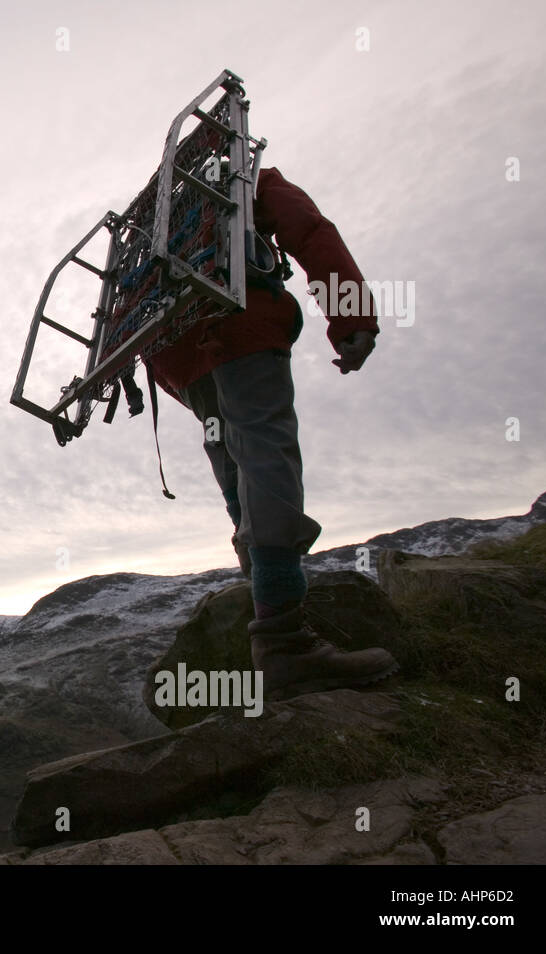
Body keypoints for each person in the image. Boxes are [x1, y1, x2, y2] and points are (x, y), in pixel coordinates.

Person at [144, 166, 399, 701]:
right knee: (265, 453)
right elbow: (308, 230)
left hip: (175, 353)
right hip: (238, 321)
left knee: (234, 460)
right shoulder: (245, 175)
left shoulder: (160, 215)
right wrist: (351, 317)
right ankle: (283, 642)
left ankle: (264, 595)